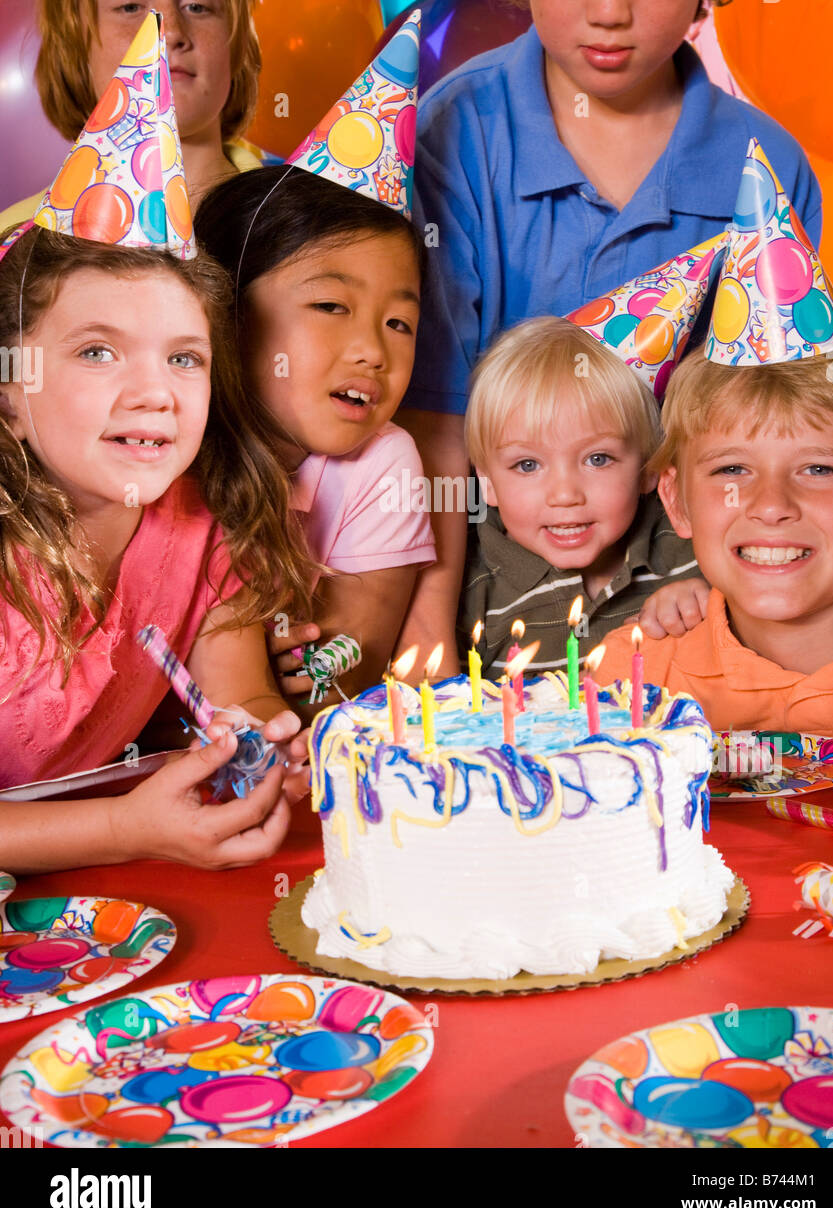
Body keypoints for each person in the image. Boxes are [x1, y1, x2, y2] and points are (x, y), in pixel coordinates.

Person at [396, 0, 822, 677]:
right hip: (492, 563)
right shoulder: (460, 133)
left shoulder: (766, 165)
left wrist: (722, 592)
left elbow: (773, 426)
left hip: (694, 578)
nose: (608, 11)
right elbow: (437, 423)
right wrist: (427, 614)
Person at [0, 225, 313, 874]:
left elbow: (241, 698)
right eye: (96, 352)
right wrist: (123, 827)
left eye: (183, 358)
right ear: (8, 396)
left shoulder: (204, 525)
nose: (155, 392)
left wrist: (263, 744)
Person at [195, 165, 436, 708]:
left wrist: (301, 669)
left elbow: (339, 684)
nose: (374, 351)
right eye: (331, 306)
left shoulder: (384, 462)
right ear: (224, 311)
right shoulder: (162, 443)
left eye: (400, 323)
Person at [595, 346, 833, 740]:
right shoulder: (631, 680)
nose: (771, 506)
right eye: (732, 469)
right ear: (676, 500)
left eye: (819, 468)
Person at [0, 0, 262, 229]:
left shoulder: (309, 223)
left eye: (197, 6)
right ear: (75, 45)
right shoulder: (17, 245)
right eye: (130, 7)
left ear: (236, 41)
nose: (169, 32)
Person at [458, 317, 704, 673]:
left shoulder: (689, 549)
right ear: (487, 482)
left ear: (650, 467)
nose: (564, 495)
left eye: (597, 459)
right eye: (527, 465)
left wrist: (707, 607)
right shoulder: (471, 591)